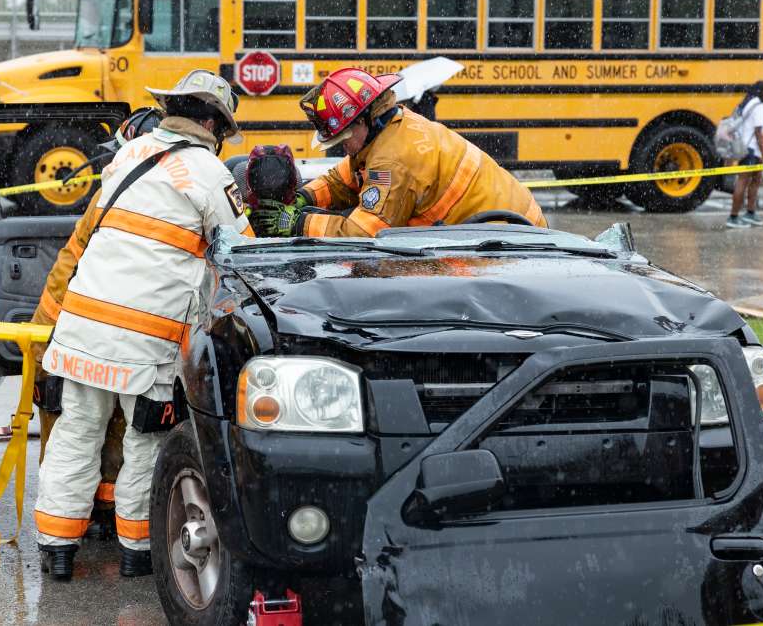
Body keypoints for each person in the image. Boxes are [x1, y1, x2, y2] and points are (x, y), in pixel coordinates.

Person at [34, 70, 253, 581]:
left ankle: (56, 548)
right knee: (146, 445)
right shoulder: (208, 173)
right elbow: (240, 255)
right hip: (147, 342)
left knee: (75, 435)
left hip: (82, 329)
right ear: (211, 122)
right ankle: (137, 554)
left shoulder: (126, 156)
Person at [29, 107, 165, 536]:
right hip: (77, 337)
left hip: (75, 335)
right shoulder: (140, 201)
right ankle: (89, 518)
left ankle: (83, 520)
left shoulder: (119, 198)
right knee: (92, 429)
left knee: (93, 431)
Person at [252, 68, 546, 238]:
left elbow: (364, 235)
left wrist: (295, 222)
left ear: (363, 120)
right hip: (505, 228)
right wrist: (305, 197)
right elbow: (342, 180)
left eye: (343, 138)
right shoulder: (391, 127)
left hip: (505, 242)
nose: (342, 146)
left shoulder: (392, 160)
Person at [726, 80, 763, 229]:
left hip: (746, 150)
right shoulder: (761, 106)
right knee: (743, 182)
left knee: (756, 180)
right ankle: (733, 216)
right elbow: (758, 133)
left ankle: (750, 213)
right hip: (752, 151)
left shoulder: (748, 103)